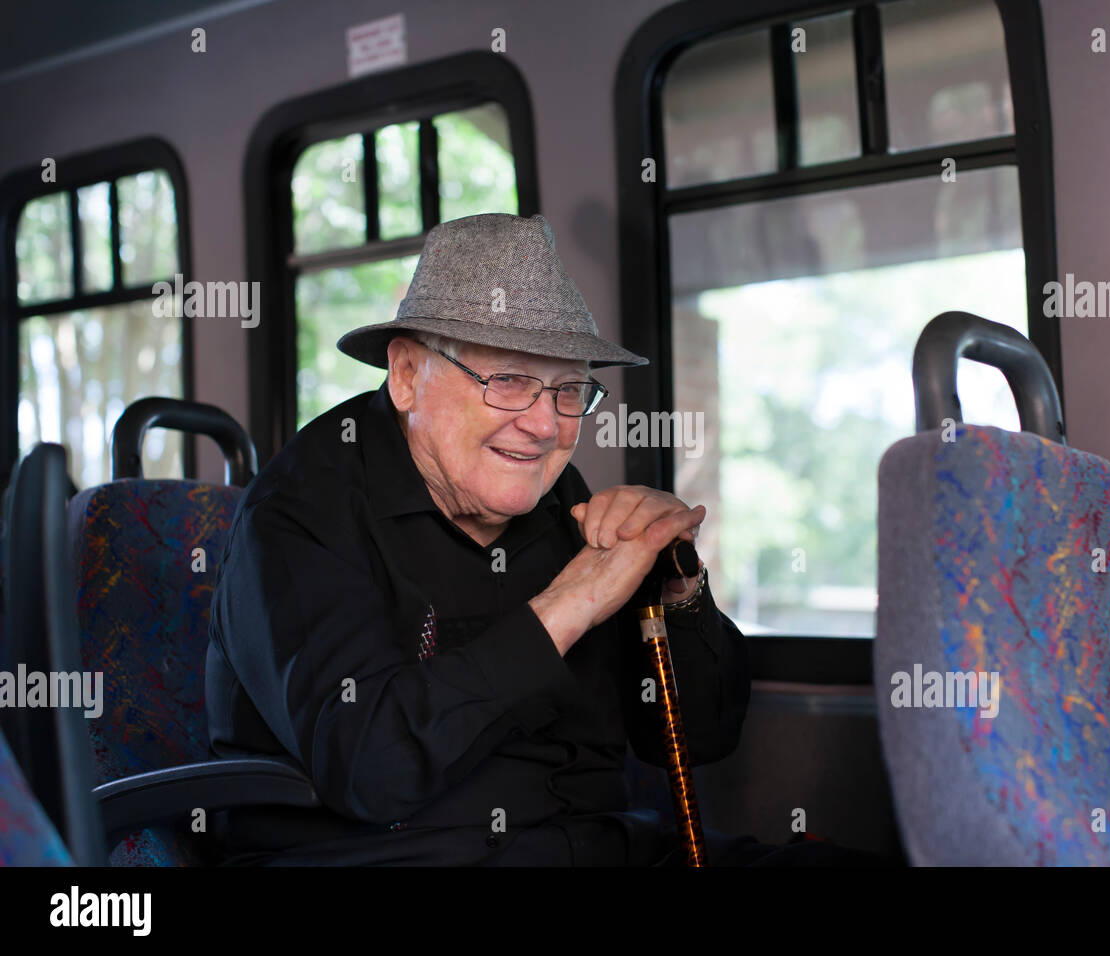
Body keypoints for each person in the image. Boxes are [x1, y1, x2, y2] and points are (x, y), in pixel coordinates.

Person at [205, 212, 872, 865]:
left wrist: (679, 591)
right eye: (510, 381)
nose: (544, 426)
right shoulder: (301, 511)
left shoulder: (561, 499)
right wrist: (569, 604)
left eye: (568, 390)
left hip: (600, 842)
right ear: (407, 374)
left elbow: (698, 737)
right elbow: (369, 768)